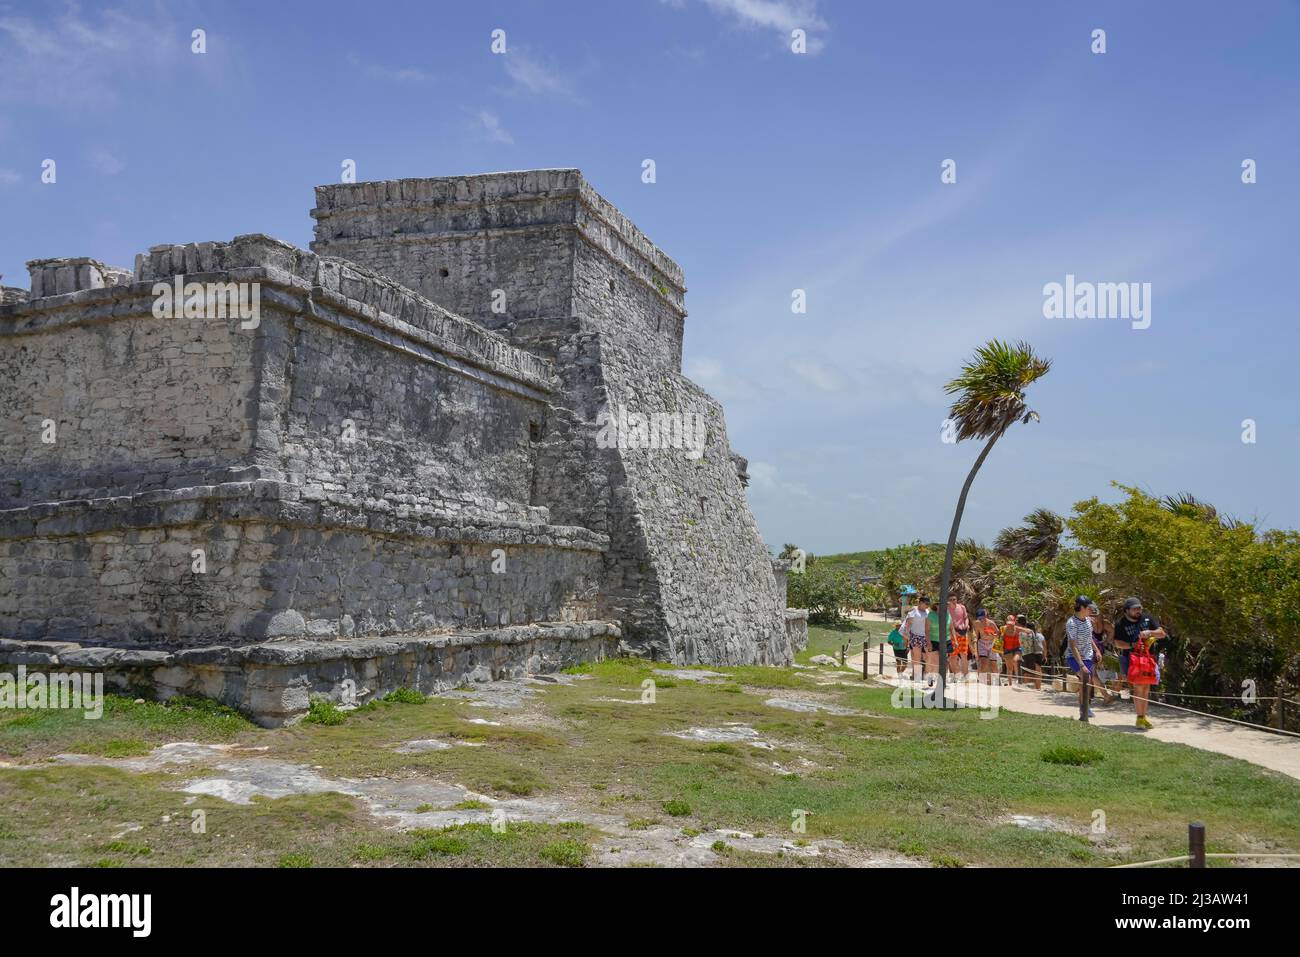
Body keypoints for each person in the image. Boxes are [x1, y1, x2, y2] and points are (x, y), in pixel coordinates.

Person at [1113, 597, 1166, 729]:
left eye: (1139, 608)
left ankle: (1143, 717)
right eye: (1135, 608)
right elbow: (1117, 643)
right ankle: (1139, 717)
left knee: (1146, 688)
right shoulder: (1121, 624)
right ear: (1126, 611)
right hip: (1132, 659)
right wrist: (1132, 644)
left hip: (1148, 659)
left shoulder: (1147, 618)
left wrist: (1150, 632)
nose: (1138, 610)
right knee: (1138, 687)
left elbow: (1162, 633)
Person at [1066, 595, 1096, 721]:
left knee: (1087, 681)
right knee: (1086, 678)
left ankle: (1084, 706)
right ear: (1082, 607)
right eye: (1089, 607)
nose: (1091, 610)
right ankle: (1083, 709)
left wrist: (1097, 650)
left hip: (1088, 655)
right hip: (1074, 657)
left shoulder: (1088, 620)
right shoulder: (1071, 623)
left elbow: (1090, 638)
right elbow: (1073, 646)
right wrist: (1081, 665)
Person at [1086, 602, 1119, 704]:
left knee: (1092, 674)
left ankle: (1105, 696)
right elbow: (1112, 630)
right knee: (1090, 673)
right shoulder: (1103, 622)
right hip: (1099, 647)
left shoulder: (1088, 620)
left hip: (1090, 648)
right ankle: (1088, 698)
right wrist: (1105, 641)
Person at [902, 596, 932, 681]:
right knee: (917, 658)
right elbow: (908, 626)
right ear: (920, 603)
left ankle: (927, 675)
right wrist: (906, 638)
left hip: (925, 636)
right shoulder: (913, 611)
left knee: (928, 656)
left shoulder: (927, 611)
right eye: (926, 604)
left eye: (928, 604)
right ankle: (917, 677)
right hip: (915, 636)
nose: (927, 605)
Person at [947, 596, 971, 680]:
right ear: (948, 601)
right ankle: (956, 675)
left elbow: (966, 617)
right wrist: (954, 632)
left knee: (964, 655)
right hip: (952, 634)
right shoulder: (946, 609)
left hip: (963, 632)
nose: (953, 601)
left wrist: (967, 624)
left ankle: (966, 676)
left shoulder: (962, 607)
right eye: (951, 600)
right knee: (953, 656)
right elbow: (947, 623)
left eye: (954, 599)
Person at [973, 608, 999, 685]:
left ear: (985, 616)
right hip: (982, 643)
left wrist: (992, 634)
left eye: (982, 618)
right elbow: (976, 637)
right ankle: (982, 681)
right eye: (979, 618)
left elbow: (998, 634)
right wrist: (975, 650)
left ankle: (997, 681)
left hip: (991, 643)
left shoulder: (991, 623)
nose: (981, 620)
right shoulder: (977, 624)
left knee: (993, 664)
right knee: (983, 662)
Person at [1021, 621, 1046, 690]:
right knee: (1038, 671)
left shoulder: (1024, 635)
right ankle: (1038, 688)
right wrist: (1045, 655)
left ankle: (1026, 687)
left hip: (1028, 654)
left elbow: (1021, 645)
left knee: (1026, 671)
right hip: (1038, 654)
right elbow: (1044, 646)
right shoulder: (1040, 635)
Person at [1001, 615, 1023, 685]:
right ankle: (1010, 683)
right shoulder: (1003, 628)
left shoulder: (1017, 628)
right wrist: (1001, 651)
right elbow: (1000, 640)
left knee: (1015, 662)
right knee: (1009, 668)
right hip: (1007, 649)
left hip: (1017, 648)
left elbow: (1023, 638)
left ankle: (1018, 680)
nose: (1010, 625)